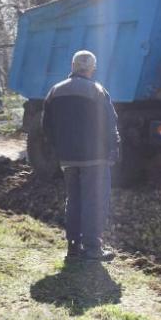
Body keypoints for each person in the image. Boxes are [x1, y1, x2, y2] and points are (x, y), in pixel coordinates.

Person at [42, 50, 120, 262]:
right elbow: (110, 124)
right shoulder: (97, 90)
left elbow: (46, 127)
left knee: (74, 200)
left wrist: (59, 149)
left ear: (73, 65)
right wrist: (113, 149)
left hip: (68, 158)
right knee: (94, 201)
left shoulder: (54, 91)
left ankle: (73, 248)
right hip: (95, 158)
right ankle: (93, 248)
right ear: (91, 68)